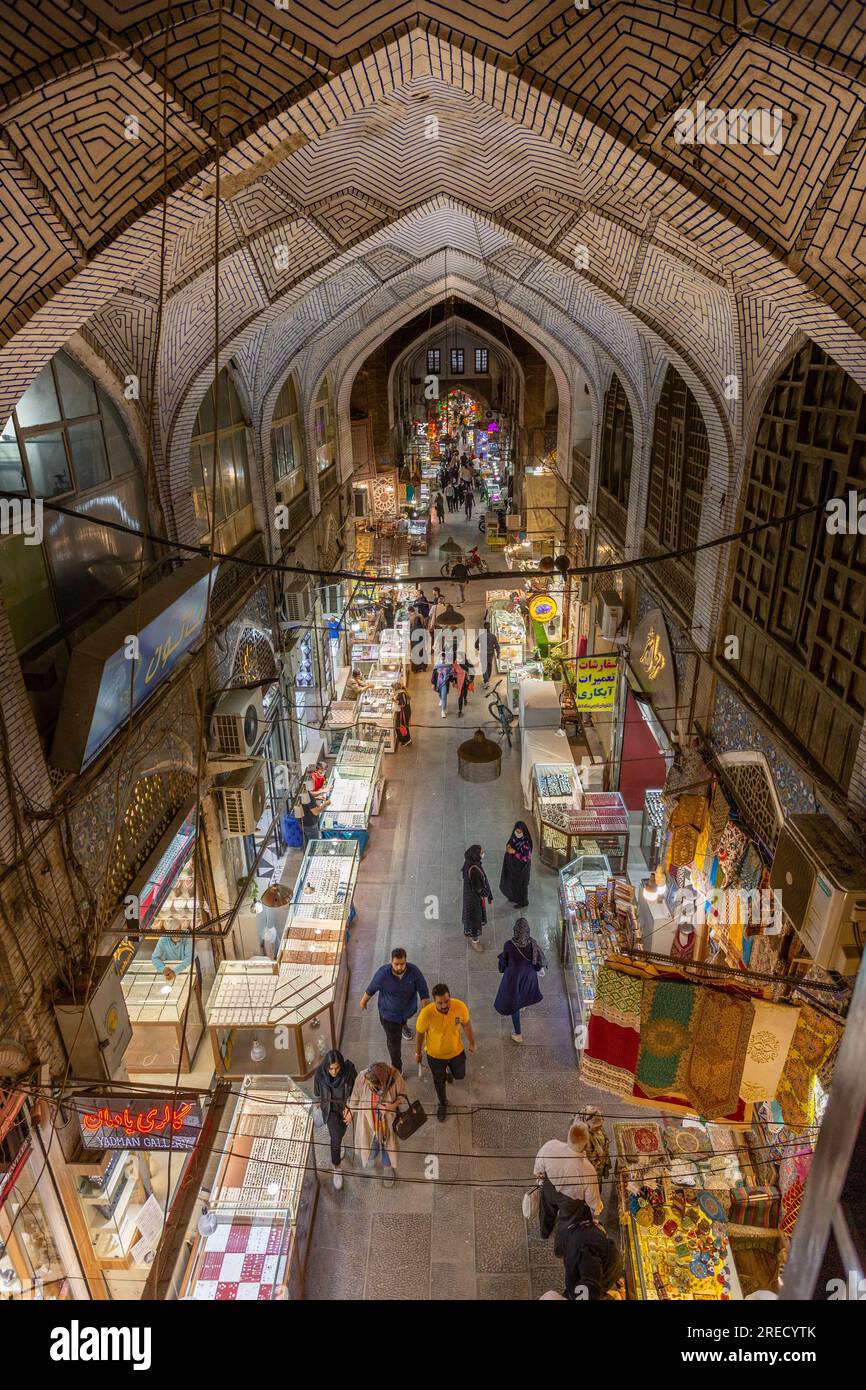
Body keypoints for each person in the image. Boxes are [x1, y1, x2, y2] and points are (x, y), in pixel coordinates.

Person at [360, 948, 430, 1074]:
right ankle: (397, 1066)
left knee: (404, 1021)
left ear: (406, 961)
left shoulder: (414, 972)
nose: (399, 967)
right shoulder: (382, 974)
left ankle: (404, 1026)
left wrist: (427, 1014)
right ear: (391, 962)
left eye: (402, 964)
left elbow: (424, 993)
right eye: (396, 964)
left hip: (407, 1011)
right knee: (394, 1043)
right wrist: (363, 1001)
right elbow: (371, 989)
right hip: (389, 1016)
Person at [415, 983, 476, 1122]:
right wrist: (418, 1053)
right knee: (439, 1081)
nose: (444, 1006)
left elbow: (466, 1024)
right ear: (434, 1001)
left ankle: (449, 1072)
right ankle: (442, 1103)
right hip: (435, 1056)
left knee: (460, 1075)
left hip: (456, 1052)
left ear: (450, 997)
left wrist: (472, 1042)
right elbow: (419, 1035)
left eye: (446, 1001)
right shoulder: (426, 1014)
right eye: (440, 1003)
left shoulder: (460, 1007)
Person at [535, 1120, 603, 1238]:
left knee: (546, 1211)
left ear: (568, 1135)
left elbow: (539, 1168)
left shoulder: (551, 1146)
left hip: (549, 1187)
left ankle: (544, 1232)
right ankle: (561, 1245)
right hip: (570, 1202)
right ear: (585, 1144)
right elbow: (592, 1198)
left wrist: (540, 1179)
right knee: (567, 1223)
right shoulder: (588, 1170)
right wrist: (596, 1213)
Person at [348, 1062, 407, 1187]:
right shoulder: (363, 1077)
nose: (375, 1089)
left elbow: (403, 1096)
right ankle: (371, 1158)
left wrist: (392, 1106)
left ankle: (387, 1167)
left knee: (387, 1147)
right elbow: (355, 1097)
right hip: (369, 1123)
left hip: (388, 1124)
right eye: (373, 1086)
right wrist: (350, 1112)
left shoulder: (395, 1077)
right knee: (371, 1144)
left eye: (378, 1087)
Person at [552, 1195, 622, 1300]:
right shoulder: (587, 1229)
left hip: (604, 1278)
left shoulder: (583, 1247)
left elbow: (590, 1283)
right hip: (608, 1270)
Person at [494, 916, 546, 1043]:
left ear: (515, 931)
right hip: (528, 978)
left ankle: (518, 1034)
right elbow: (538, 964)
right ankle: (523, 1006)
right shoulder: (533, 944)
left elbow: (503, 964)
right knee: (524, 996)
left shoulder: (509, 945)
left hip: (513, 980)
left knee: (514, 1005)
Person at [313, 1049, 357, 1190]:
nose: (334, 1072)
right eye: (331, 1068)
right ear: (326, 1067)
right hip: (330, 1109)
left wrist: (351, 1106)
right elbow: (317, 1092)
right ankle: (336, 1167)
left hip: (344, 1107)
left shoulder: (349, 1071)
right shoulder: (320, 1073)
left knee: (341, 1132)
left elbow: (356, 1091)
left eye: (337, 1068)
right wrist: (318, 1102)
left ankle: (339, 1138)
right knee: (335, 1138)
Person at [461, 844, 492, 952]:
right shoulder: (474, 869)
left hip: (468, 896)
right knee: (475, 920)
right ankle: (475, 942)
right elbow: (479, 888)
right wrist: (486, 893)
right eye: (481, 852)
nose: (483, 854)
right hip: (474, 900)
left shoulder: (468, 862)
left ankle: (466, 930)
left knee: (468, 915)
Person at [499, 821, 533, 908]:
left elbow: (526, 857)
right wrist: (508, 846)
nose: (517, 834)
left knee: (521, 885)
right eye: (516, 831)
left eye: (519, 832)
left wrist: (514, 852)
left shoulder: (526, 843)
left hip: (521, 868)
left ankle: (523, 902)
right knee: (512, 882)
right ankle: (513, 897)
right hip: (513, 865)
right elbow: (510, 841)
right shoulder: (514, 836)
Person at [297, 772, 329, 846]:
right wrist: (325, 804)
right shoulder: (307, 796)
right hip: (310, 824)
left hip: (302, 822)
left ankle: (306, 854)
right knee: (314, 844)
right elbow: (316, 812)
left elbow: (307, 799)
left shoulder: (300, 790)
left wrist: (317, 797)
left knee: (307, 841)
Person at [474, 621, 500, 686]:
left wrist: (478, 648)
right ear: (490, 627)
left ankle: (486, 680)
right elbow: (497, 645)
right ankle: (487, 678)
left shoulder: (481, 636)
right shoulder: (493, 636)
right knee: (489, 666)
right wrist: (498, 653)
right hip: (490, 654)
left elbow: (476, 644)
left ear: (484, 628)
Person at [407, 606, 428, 673]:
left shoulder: (411, 620)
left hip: (414, 644)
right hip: (421, 642)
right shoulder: (420, 616)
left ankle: (415, 669)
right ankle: (423, 667)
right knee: (422, 653)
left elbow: (410, 636)